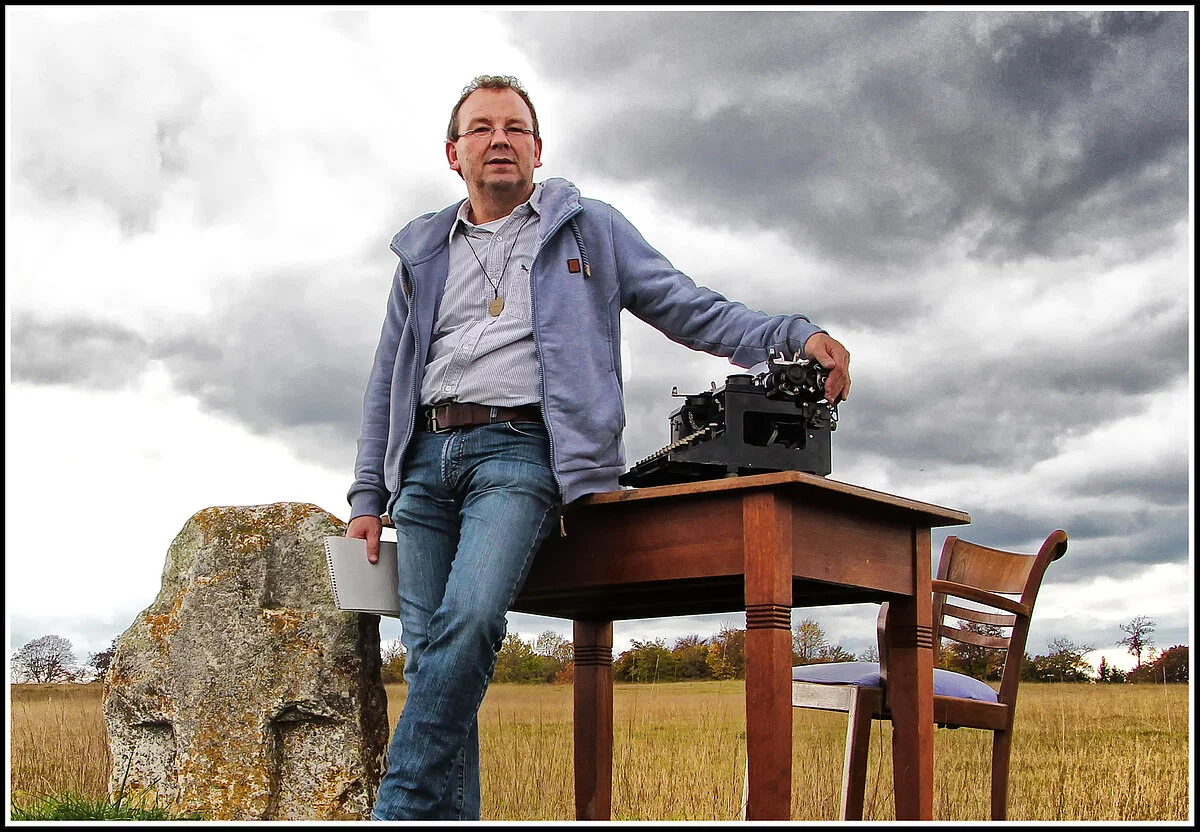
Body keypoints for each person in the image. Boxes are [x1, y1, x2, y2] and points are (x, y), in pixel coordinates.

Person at [346, 74, 851, 821]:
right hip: (422, 462)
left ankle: (395, 809)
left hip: (517, 455)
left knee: (471, 623)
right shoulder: (421, 252)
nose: (499, 140)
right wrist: (366, 494)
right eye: (481, 129)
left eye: (515, 128)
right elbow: (387, 374)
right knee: (431, 664)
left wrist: (791, 334)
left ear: (538, 148)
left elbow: (689, 306)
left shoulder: (590, 229)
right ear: (453, 154)